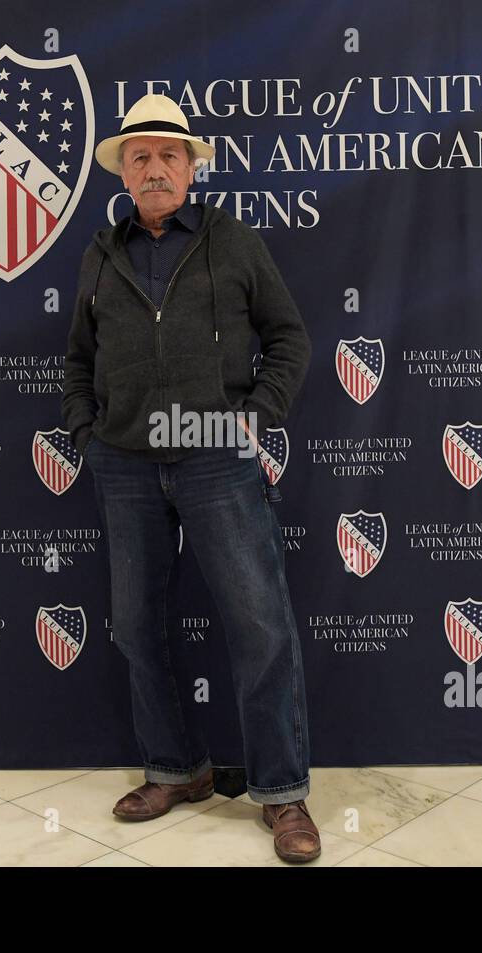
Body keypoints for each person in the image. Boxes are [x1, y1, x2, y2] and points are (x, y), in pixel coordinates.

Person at [60, 93, 318, 862]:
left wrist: (257, 414)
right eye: (139, 156)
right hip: (126, 465)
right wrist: (87, 434)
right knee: (138, 627)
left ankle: (283, 794)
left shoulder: (232, 240)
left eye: (169, 154)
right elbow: (78, 360)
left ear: (192, 167)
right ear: (125, 173)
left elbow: (290, 338)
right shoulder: (100, 253)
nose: (155, 167)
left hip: (215, 458)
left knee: (259, 626)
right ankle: (177, 771)